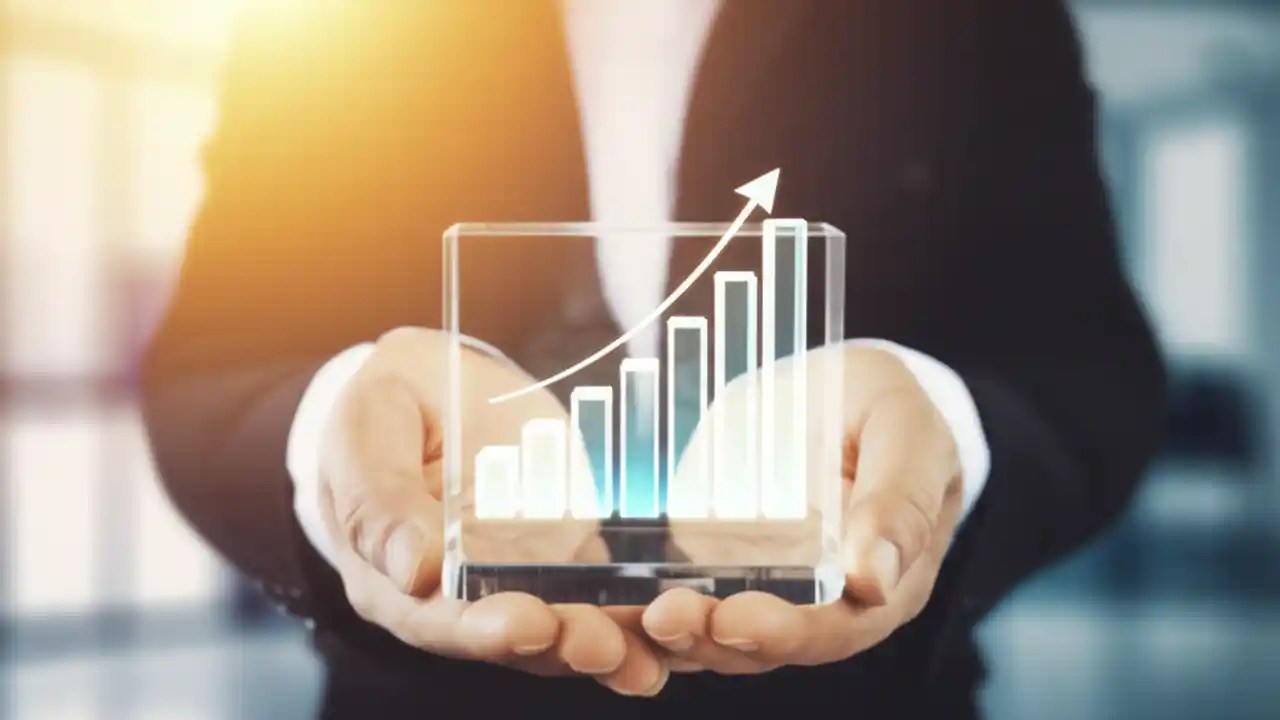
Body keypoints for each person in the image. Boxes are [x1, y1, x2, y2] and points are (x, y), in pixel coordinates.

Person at [141, 1, 1166, 717]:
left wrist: (939, 432)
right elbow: (213, 364)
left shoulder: (979, 16)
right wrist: (341, 431)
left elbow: (1083, 366)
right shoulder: (324, 27)